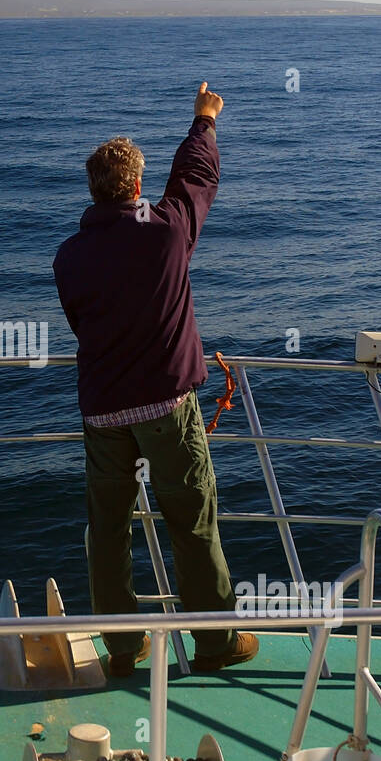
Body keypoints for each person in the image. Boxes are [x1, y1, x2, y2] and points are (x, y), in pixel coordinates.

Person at [52, 82, 258, 678]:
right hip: (167, 407)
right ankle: (215, 641)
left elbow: (80, 324)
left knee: (109, 531)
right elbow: (196, 178)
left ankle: (122, 645)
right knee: (192, 520)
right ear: (138, 189)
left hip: (101, 413)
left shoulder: (68, 256)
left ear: (93, 191)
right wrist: (203, 121)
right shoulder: (166, 231)